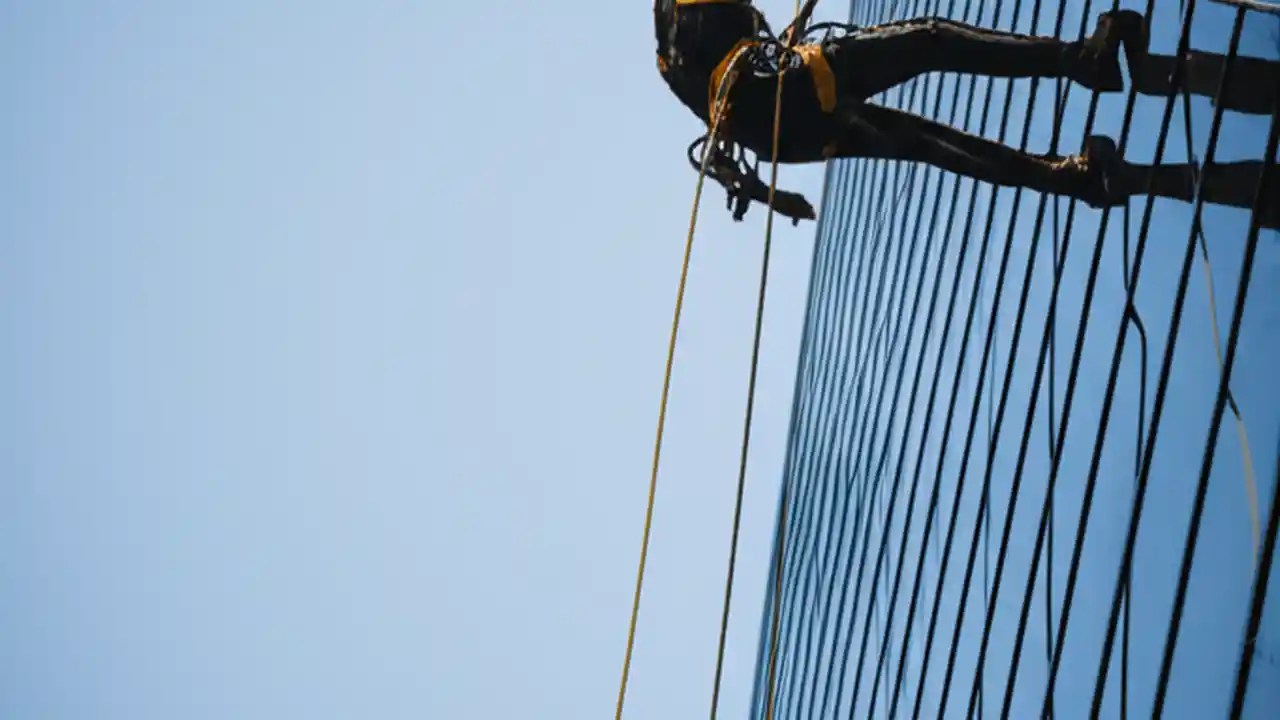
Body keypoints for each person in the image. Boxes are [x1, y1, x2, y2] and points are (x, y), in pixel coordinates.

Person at [654, 1, 1278, 227]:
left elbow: (721, 127)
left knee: (928, 143)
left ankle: (1076, 178)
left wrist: (766, 190)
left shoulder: (671, 49)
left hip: (781, 134)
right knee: (931, 41)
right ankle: (1084, 60)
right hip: (792, 88)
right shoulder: (686, 13)